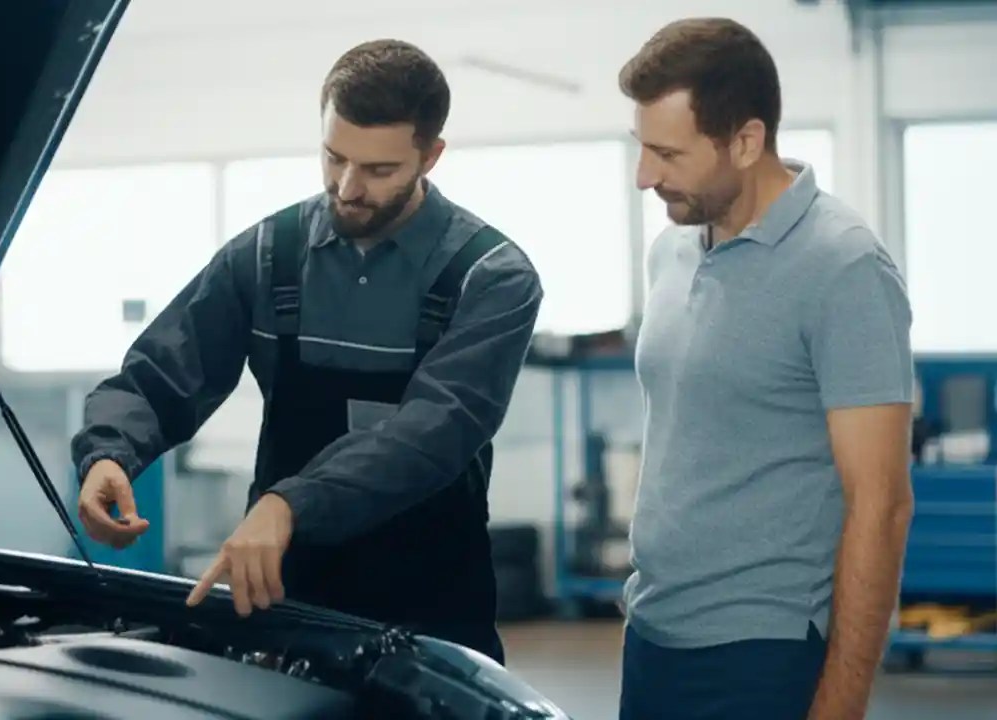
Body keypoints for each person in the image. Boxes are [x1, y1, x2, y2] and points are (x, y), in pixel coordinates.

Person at [70, 38, 542, 665]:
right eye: (334, 157)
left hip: (433, 609)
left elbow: (434, 431)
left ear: (432, 156)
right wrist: (110, 453)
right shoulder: (267, 255)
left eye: (378, 170)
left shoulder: (490, 277)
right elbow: (163, 371)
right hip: (282, 595)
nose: (347, 188)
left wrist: (289, 502)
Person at [616, 18, 915, 720]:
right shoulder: (672, 249)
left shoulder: (844, 268)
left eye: (667, 153)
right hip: (653, 634)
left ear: (746, 141)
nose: (643, 177)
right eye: (641, 149)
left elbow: (882, 504)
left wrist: (841, 703)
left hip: (764, 650)